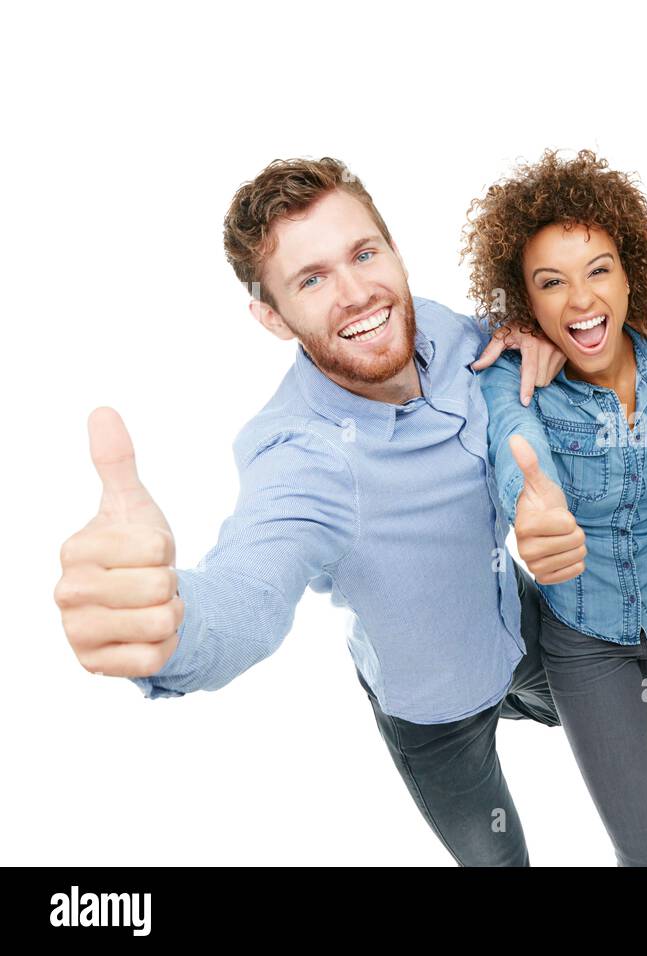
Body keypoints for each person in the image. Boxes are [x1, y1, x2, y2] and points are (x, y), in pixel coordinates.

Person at [52, 156, 590, 867]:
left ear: (395, 251)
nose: (357, 294)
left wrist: (547, 334)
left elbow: (536, 328)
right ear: (272, 318)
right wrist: (172, 625)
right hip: (434, 712)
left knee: (615, 711)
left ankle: (521, 700)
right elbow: (248, 589)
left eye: (364, 254)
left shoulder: (446, 330)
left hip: (515, 621)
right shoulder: (301, 457)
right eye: (311, 279)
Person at [465, 149, 647, 866]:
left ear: (629, 275)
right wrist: (533, 507)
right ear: (526, 303)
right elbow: (515, 442)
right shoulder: (512, 376)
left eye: (599, 271)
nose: (581, 301)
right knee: (644, 849)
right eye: (551, 283)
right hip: (583, 640)